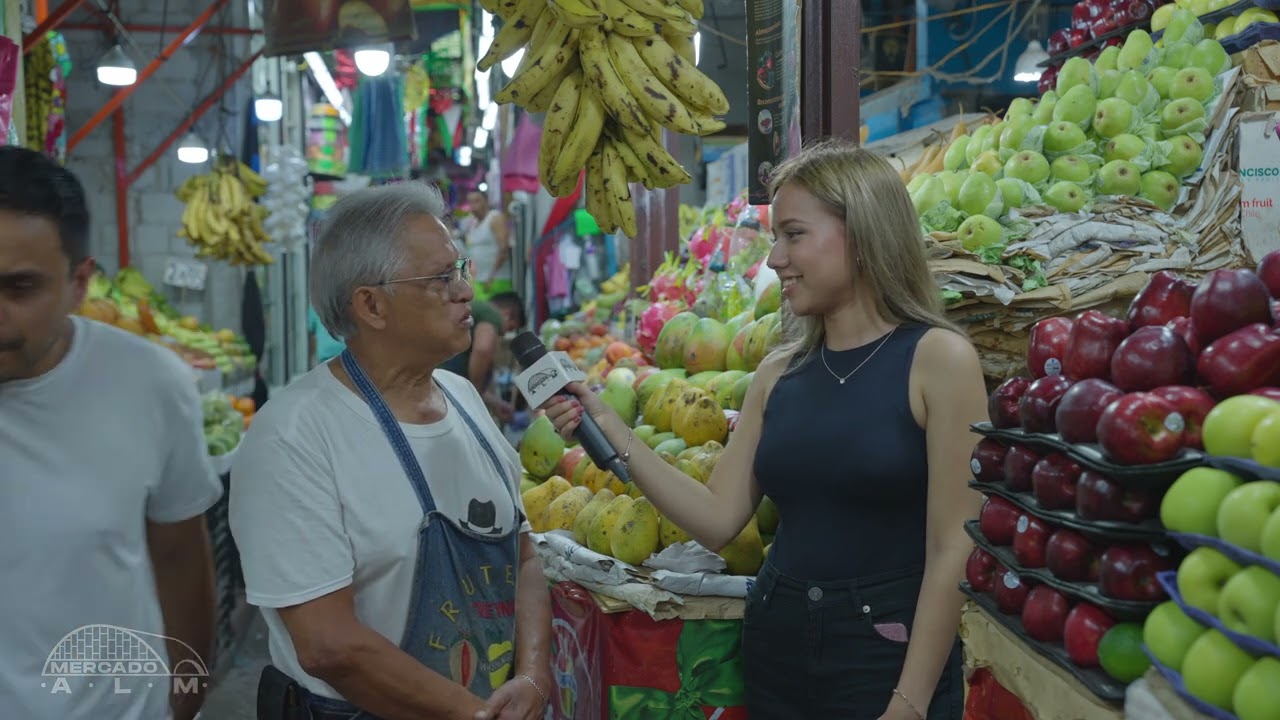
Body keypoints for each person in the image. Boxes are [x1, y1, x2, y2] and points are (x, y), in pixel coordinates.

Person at [542, 140, 988, 719]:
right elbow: (718, 517)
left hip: (885, 650)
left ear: (863, 235)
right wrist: (612, 431)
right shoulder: (778, 372)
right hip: (778, 634)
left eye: (794, 234)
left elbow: (953, 545)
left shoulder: (939, 360)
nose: (775, 258)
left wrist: (907, 704)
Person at [229, 181, 552, 720]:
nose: (467, 291)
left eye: (462, 269)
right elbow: (329, 645)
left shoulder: (466, 401)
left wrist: (534, 677)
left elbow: (522, 557)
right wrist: (477, 716)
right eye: (441, 278)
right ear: (371, 305)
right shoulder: (293, 436)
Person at [0, 147, 221, 720]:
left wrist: (185, 701)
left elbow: (180, 560)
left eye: (19, 289)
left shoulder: (149, 384)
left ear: (80, 283)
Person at [440, 290, 525, 422]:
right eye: (509, 328)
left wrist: (495, 402)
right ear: (507, 315)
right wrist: (475, 395)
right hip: (447, 390)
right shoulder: (493, 315)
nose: (502, 335)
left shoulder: (475, 310)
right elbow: (483, 349)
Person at [463, 190, 513, 301]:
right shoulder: (472, 224)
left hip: (497, 279)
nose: (473, 206)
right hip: (478, 280)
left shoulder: (495, 218)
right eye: (470, 202)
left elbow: (504, 249)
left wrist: (491, 277)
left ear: (486, 202)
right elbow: (468, 253)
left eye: (477, 201)